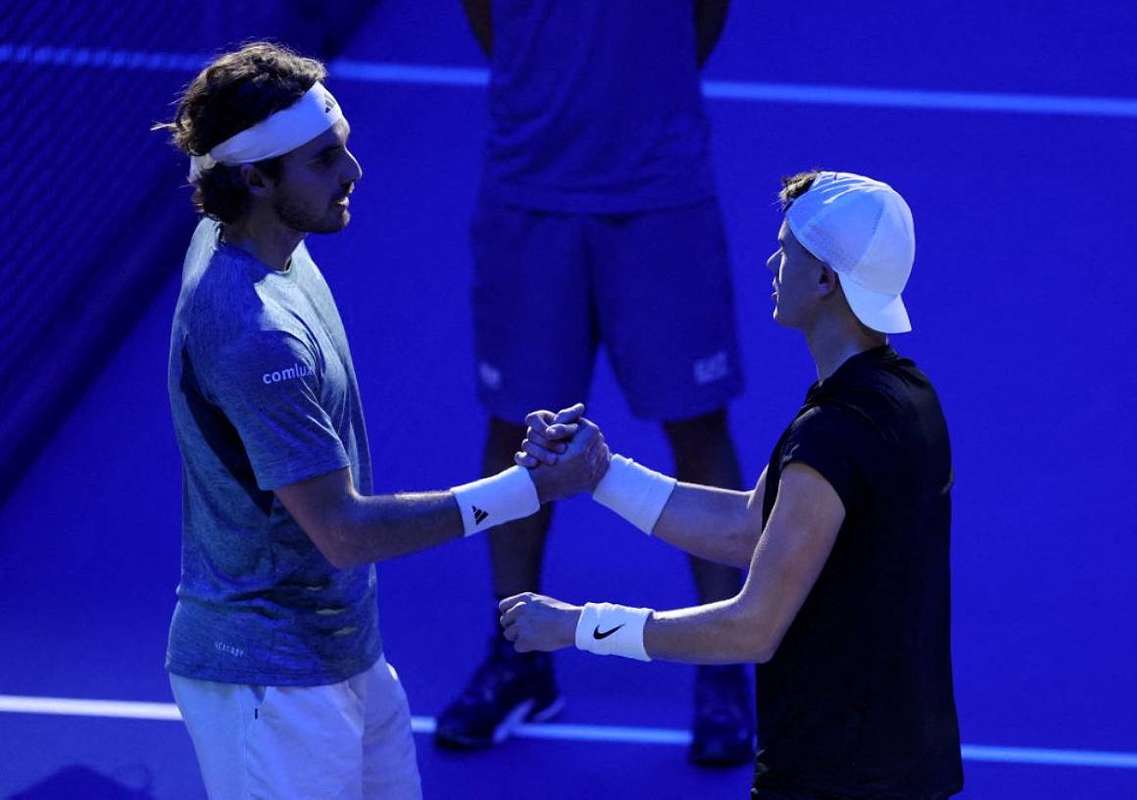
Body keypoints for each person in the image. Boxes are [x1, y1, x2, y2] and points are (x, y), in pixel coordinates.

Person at [159, 42, 606, 800]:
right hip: (270, 685)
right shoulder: (252, 330)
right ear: (256, 178)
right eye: (325, 160)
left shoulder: (265, 246)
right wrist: (525, 489)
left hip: (345, 654)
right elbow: (345, 533)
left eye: (344, 148)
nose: (353, 173)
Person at [502, 172, 965, 799]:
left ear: (826, 279)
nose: (774, 263)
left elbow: (751, 628)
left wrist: (579, 626)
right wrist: (600, 474)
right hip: (895, 766)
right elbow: (752, 527)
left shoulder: (832, 433)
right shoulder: (906, 397)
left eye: (788, 251)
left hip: (836, 778)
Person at [440, 0, 754, 764]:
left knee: (699, 425)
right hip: (528, 188)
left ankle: (724, 660)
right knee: (517, 429)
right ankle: (519, 655)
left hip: (659, 190)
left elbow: (703, 17)